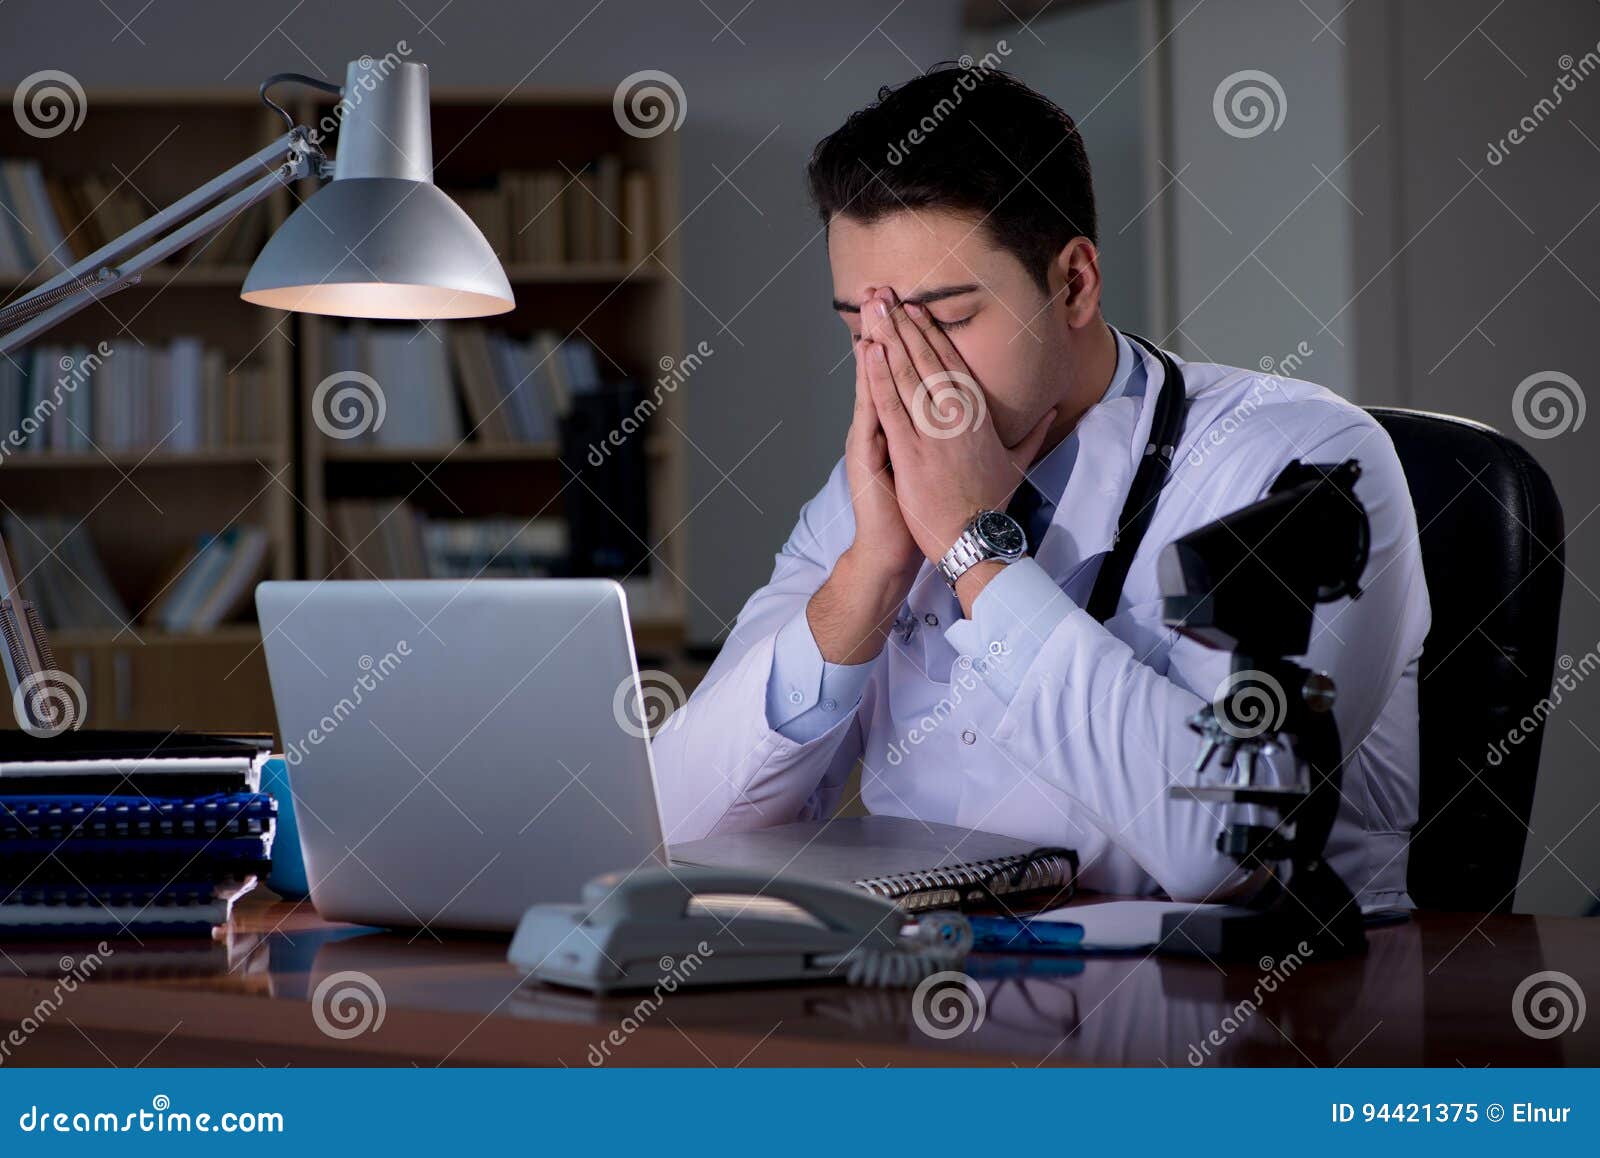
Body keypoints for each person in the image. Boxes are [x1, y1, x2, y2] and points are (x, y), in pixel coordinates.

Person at [649, 66, 1430, 907]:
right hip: (942, 1001)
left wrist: (971, 548)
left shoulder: (1302, 464)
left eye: (946, 320)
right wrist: (870, 574)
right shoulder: (867, 494)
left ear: (1074, 284)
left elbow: (1227, 846)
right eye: (863, 330)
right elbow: (672, 824)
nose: (912, 376)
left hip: (1265, 1014)